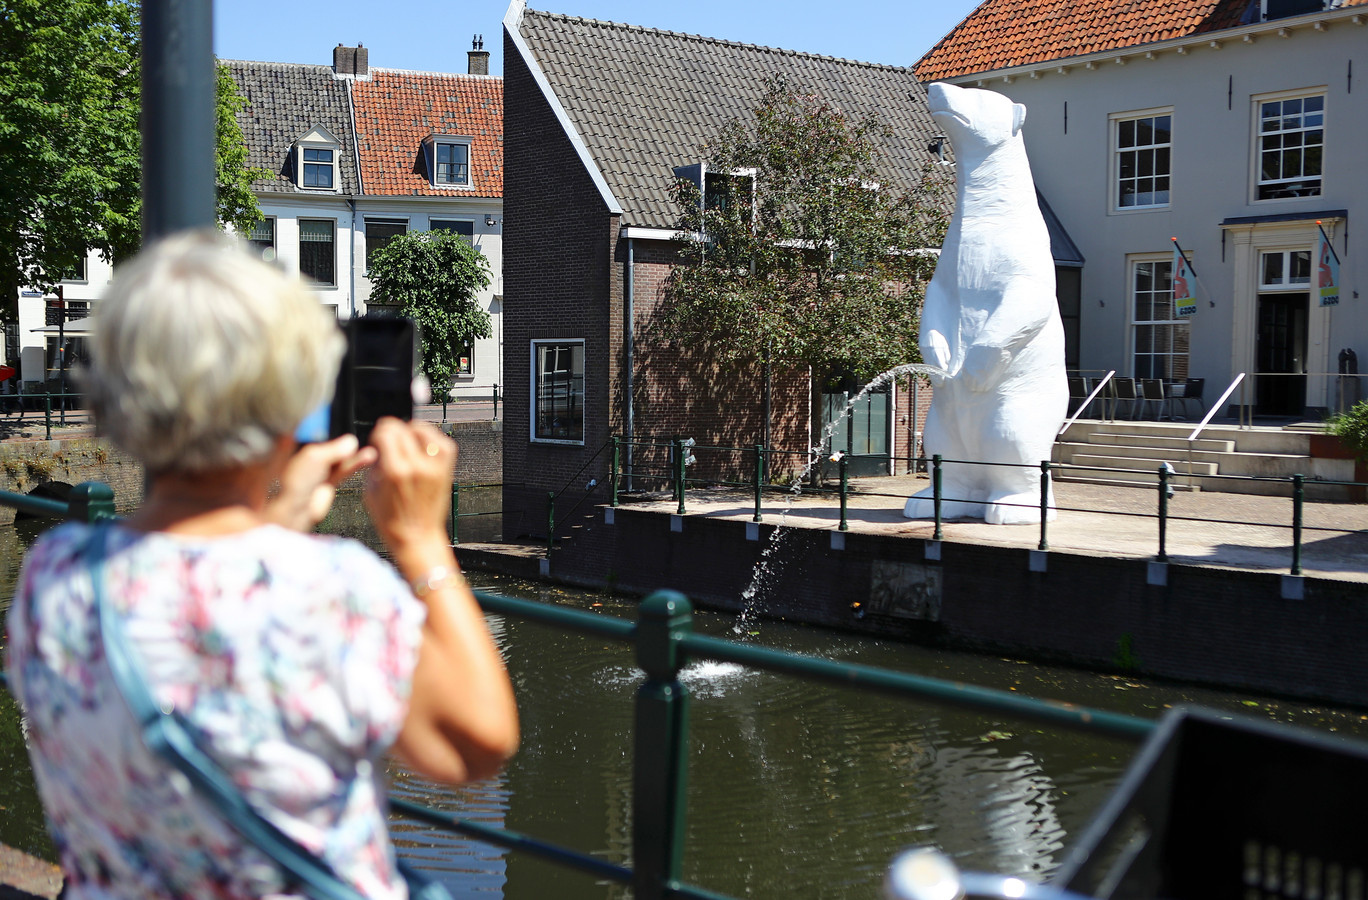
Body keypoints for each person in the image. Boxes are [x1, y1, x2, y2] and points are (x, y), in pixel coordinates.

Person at [4, 232, 519, 900]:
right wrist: (421, 539)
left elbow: (202, 591)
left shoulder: (56, 571)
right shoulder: (334, 588)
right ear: (287, 402)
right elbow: (477, 745)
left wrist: (281, 518)